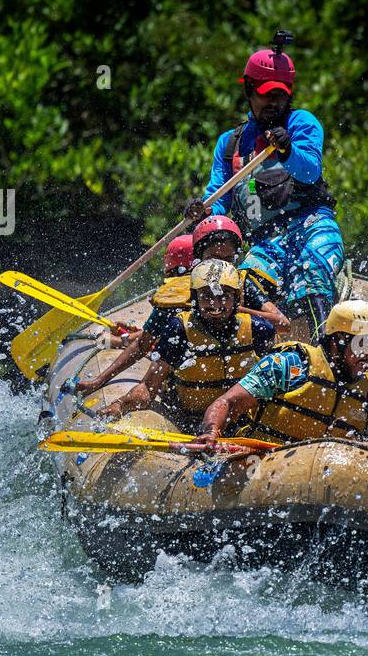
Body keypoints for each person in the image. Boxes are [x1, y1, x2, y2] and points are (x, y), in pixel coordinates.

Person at [183, 32, 342, 336]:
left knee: (312, 269)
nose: (273, 102)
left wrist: (288, 151)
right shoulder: (230, 143)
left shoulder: (302, 124)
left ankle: (320, 349)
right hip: (265, 239)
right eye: (266, 94)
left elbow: (309, 172)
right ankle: (263, 343)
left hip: (312, 224)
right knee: (242, 281)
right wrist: (203, 211)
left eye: (280, 95)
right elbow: (219, 196)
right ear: (249, 91)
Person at [96, 260, 275, 422]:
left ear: (236, 298)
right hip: (191, 420)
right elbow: (148, 388)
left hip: (243, 420)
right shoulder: (180, 330)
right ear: (194, 297)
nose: (215, 303)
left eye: (224, 295)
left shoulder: (259, 329)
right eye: (206, 295)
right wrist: (119, 405)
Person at [198, 299, 368, 446]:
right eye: (362, 344)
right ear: (337, 341)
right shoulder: (291, 364)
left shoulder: (367, 394)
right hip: (257, 468)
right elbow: (228, 403)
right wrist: (211, 432)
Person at [75, 234, 195, 396]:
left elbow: (142, 346)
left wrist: (98, 381)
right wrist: (137, 333)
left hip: (180, 390)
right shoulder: (224, 295)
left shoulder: (172, 297)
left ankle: (119, 341)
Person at [190, 214, 290, 335]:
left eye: (228, 259)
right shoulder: (187, 283)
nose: (221, 266)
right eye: (214, 258)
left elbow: (284, 324)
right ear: (199, 256)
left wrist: (234, 310)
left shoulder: (242, 282)